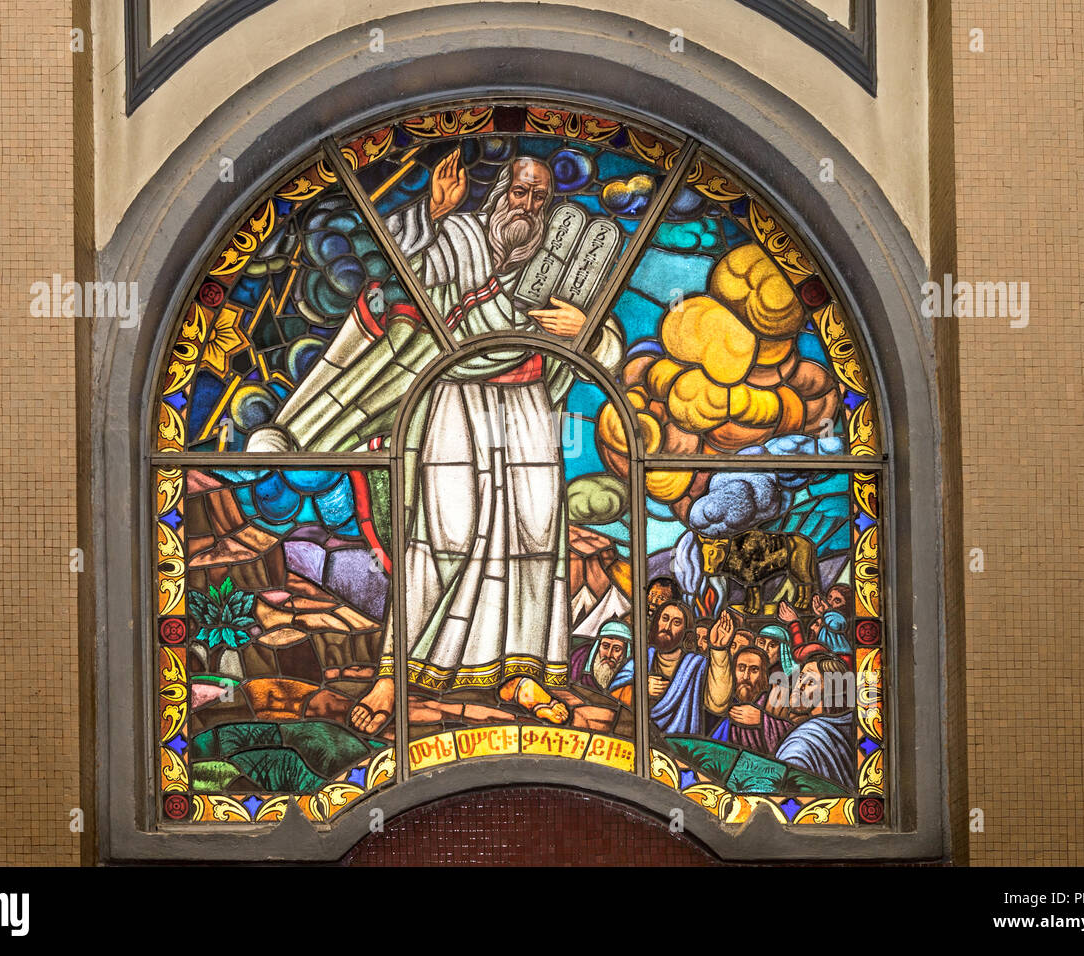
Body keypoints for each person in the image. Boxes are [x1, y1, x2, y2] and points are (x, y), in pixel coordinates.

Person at [250, 148, 626, 733]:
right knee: (443, 535)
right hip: (452, 397)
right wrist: (431, 209)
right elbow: (396, 272)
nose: (527, 206)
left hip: (528, 404)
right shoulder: (459, 237)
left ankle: (522, 670)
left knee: (535, 533)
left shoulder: (558, 264)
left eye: (539, 197)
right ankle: (394, 675)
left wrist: (588, 330)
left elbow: (605, 346)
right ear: (499, 192)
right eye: (519, 191)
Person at [610, 602, 733, 735]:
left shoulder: (696, 664)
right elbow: (612, 700)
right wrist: (640, 688)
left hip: (681, 743)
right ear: (657, 622)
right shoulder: (641, 660)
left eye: (676, 622)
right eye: (665, 619)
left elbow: (718, 704)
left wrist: (718, 648)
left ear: (686, 630)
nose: (667, 627)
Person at [774, 654, 856, 789]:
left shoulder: (803, 743)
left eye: (811, 682)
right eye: (801, 677)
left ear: (830, 690)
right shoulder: (847, 723)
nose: (800, 686)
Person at [710, 646, 794, 755]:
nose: (746, 676)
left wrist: (762, 719)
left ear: (763, 674)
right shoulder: (726, 703)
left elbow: (796, 735)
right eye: (741, 668)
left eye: (754, 670)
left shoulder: (775, 701)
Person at [568, 619, 631, 695]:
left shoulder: (630, 676)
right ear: (598, 646)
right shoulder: (579, 658)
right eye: (605, 646)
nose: (609, 655)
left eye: (617, 649)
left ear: (625, 652)